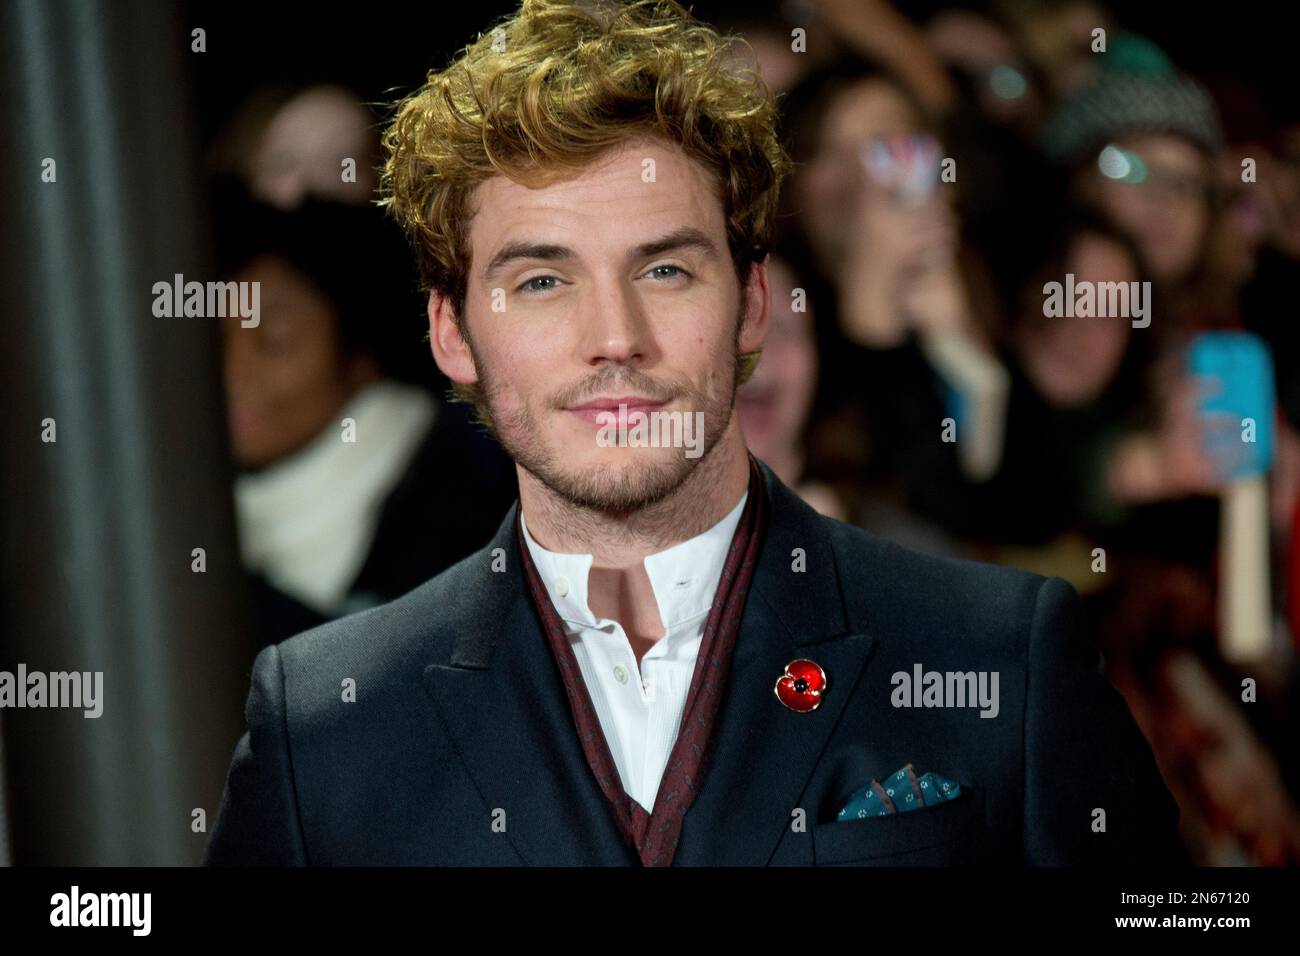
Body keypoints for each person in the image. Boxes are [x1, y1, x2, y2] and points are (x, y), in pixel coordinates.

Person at [204, 0, 1186, 866]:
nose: (614, 339)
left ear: (753, 302)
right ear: (451, 330)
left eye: (665, 268)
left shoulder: (999, 651)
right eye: (542, 281)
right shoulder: (325, 719)